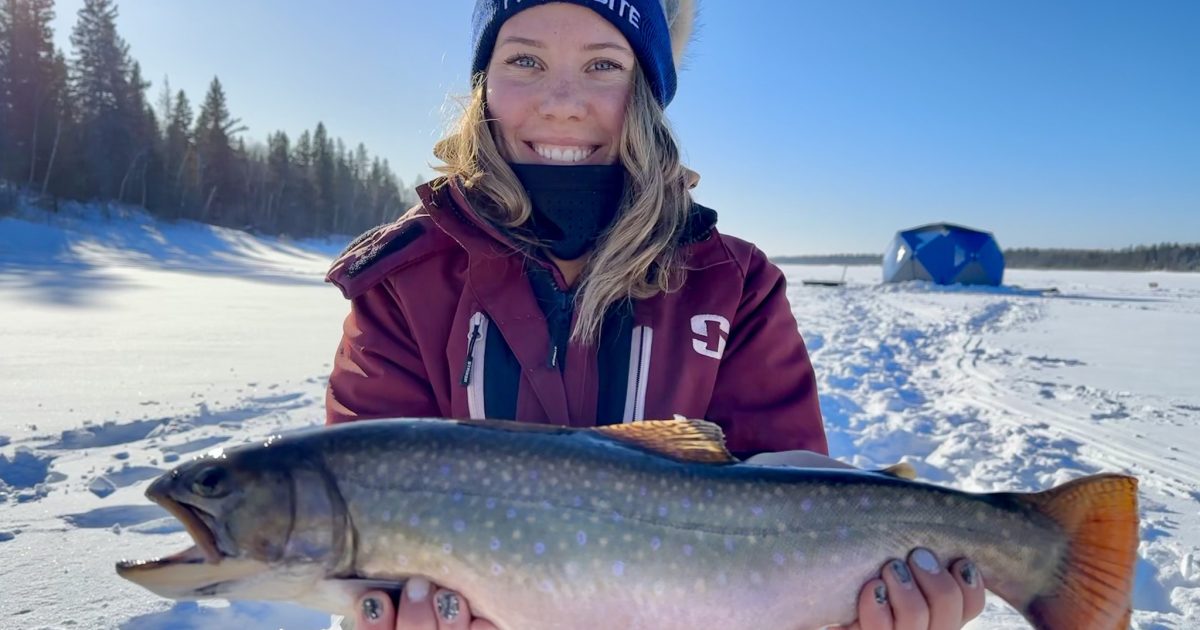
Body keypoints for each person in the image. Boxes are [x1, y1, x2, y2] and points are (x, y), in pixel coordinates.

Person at [324, 1, 985, 629]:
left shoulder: (734, 285)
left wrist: (860, 608)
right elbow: (361, 538)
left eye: (603, 65)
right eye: (524, 61)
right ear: (483, 86)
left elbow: (793, 523)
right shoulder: (400, 284)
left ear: (644, 92)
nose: (561, 102)